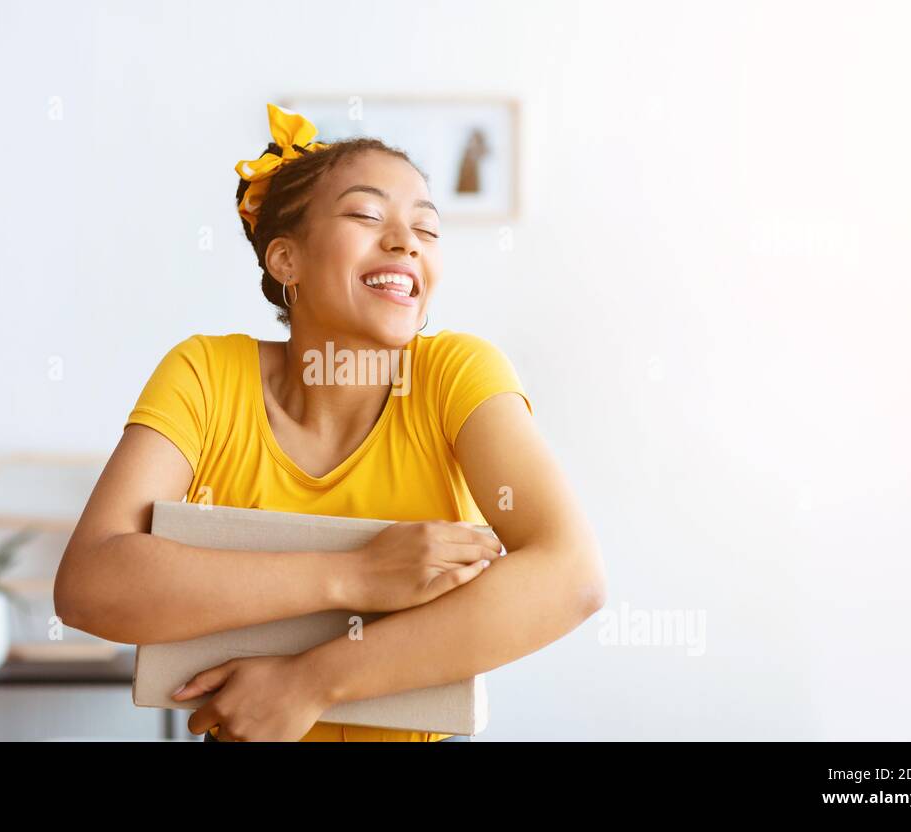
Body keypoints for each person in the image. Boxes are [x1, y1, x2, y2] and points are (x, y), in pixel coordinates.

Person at [55, 103, 607, 742]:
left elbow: (572, 576)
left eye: (426, 230)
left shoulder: (458, 373)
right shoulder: (203, 374)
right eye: (367, 215)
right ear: (285, 260)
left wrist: (310, 681)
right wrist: (356, 575)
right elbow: (90, 584)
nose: (405, 242)